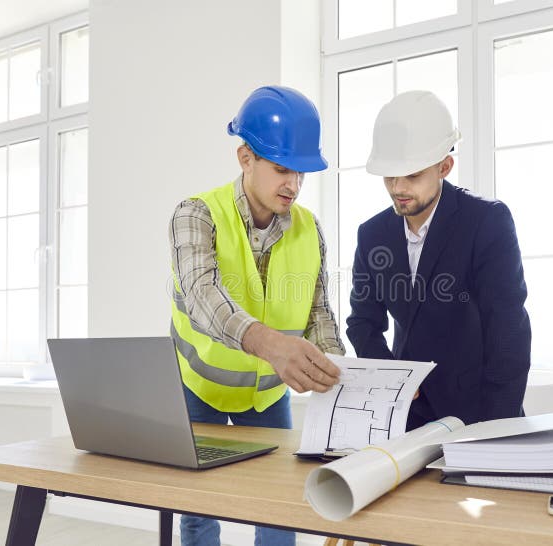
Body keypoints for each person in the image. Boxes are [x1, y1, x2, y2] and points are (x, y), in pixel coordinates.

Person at [169, 85, 344, 546]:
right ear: (245, 157)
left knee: (279, 504)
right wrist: (273, 346)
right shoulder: (196, 214)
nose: (294, 184)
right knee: (198, 508)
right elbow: (203, 296)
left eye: (301, 172)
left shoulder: (310, 230)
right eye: (282, 168)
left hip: (267, 395)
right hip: (198, 386)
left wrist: (344, 374)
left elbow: (319, 314)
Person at [347, 90, 531, 431]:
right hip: (406, 418)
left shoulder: (487, 222)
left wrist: (496, 431)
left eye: (413, 175)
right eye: (389, 175)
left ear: (444, 166)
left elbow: (508, 331)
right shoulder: (372, 234)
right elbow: (363, 324)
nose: (398, 187)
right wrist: (394, 379)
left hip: (480, 413)